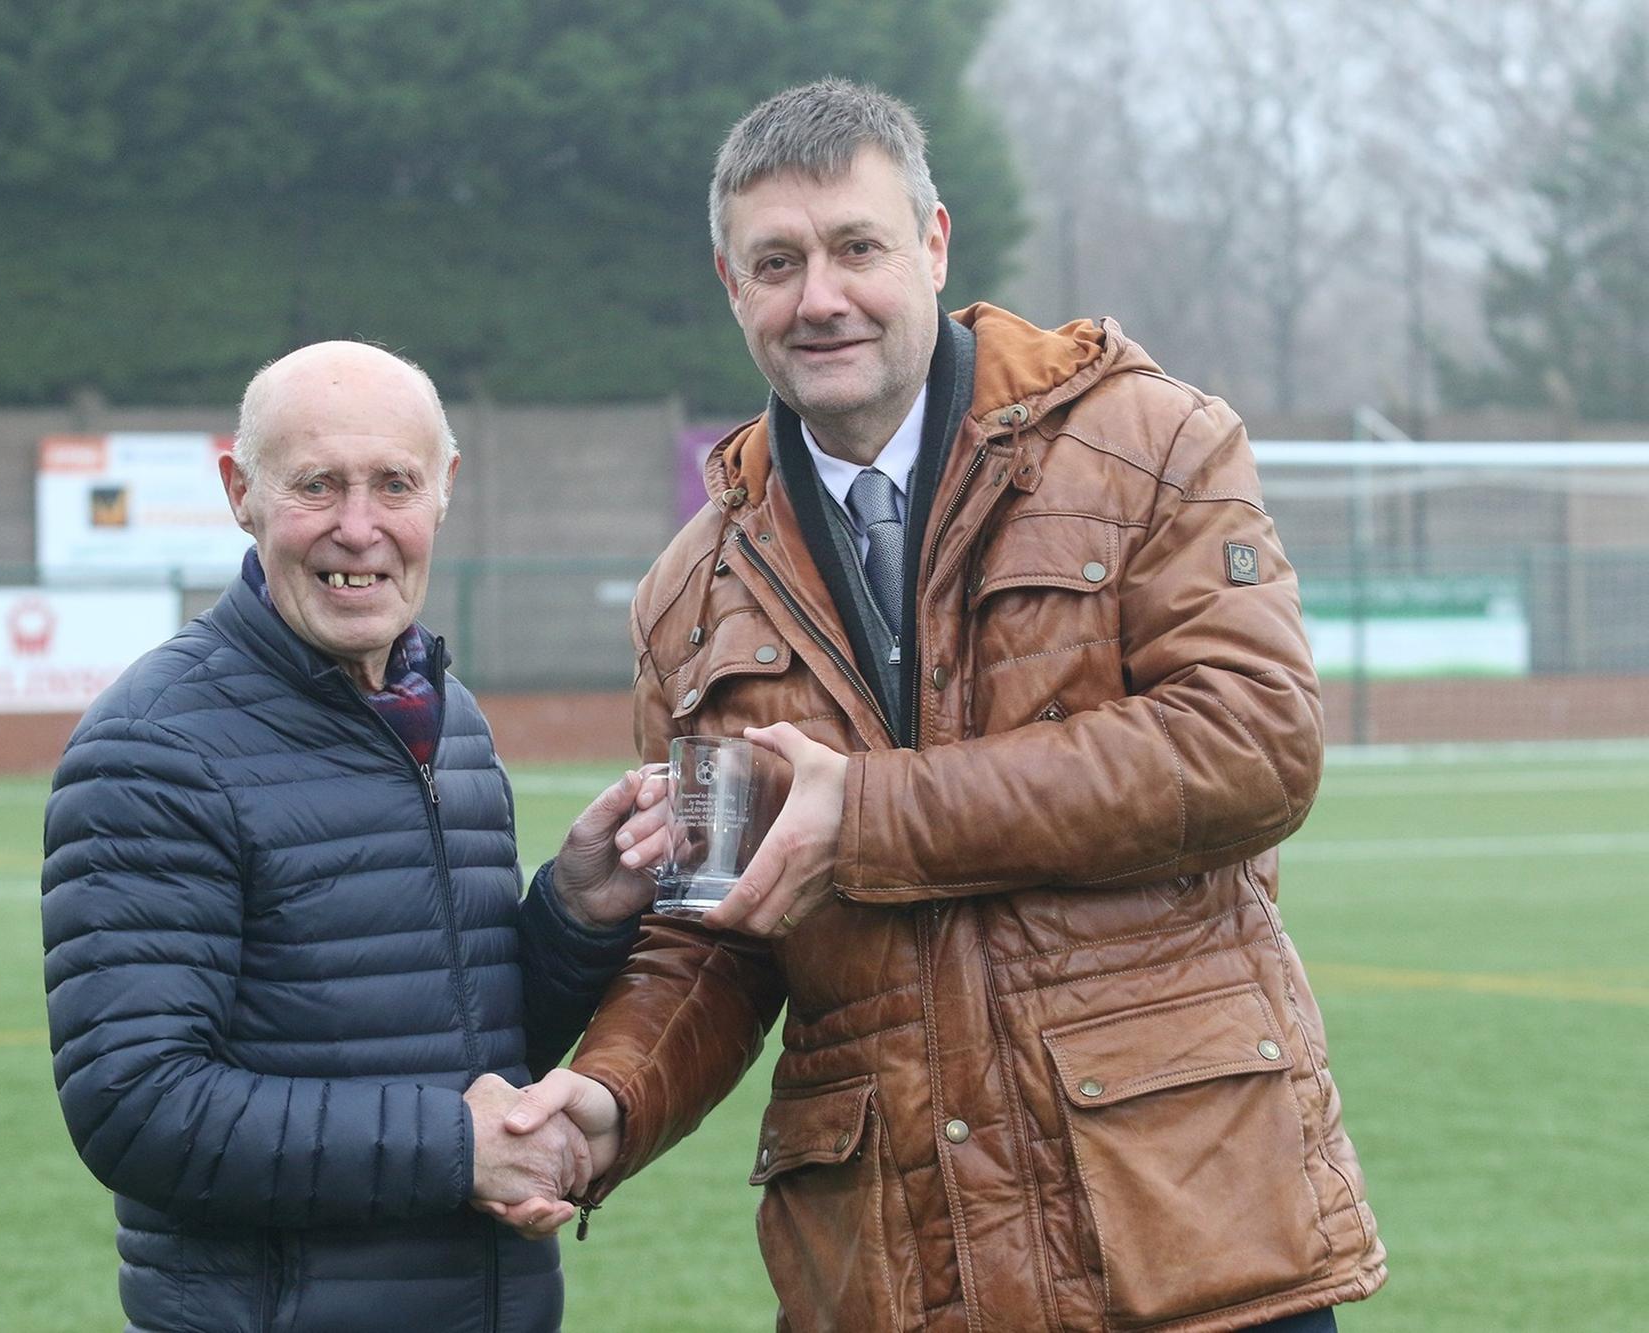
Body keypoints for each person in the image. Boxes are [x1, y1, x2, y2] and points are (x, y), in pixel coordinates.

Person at [496, 79, 1386, 1332]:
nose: (820, 297)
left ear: (931, 244)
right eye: (777, 261)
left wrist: (868, 813)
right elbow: (715, 927)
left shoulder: (1149, 445)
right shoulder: (686, 593)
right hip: (900, 1267)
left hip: (1185, 1237)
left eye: (856, 247)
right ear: (729, 284)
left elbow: (1253, 747)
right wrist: (609, 1095)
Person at [40, 341, 668, 1333]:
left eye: (393, 484)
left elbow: (449, 1036)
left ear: (443, 491)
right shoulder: (152, 747)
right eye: (317, 485)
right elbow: (138, 1106)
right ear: (239, 492)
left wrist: (575, 913)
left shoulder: (449, 719)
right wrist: (456, 1150)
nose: (358, 527)